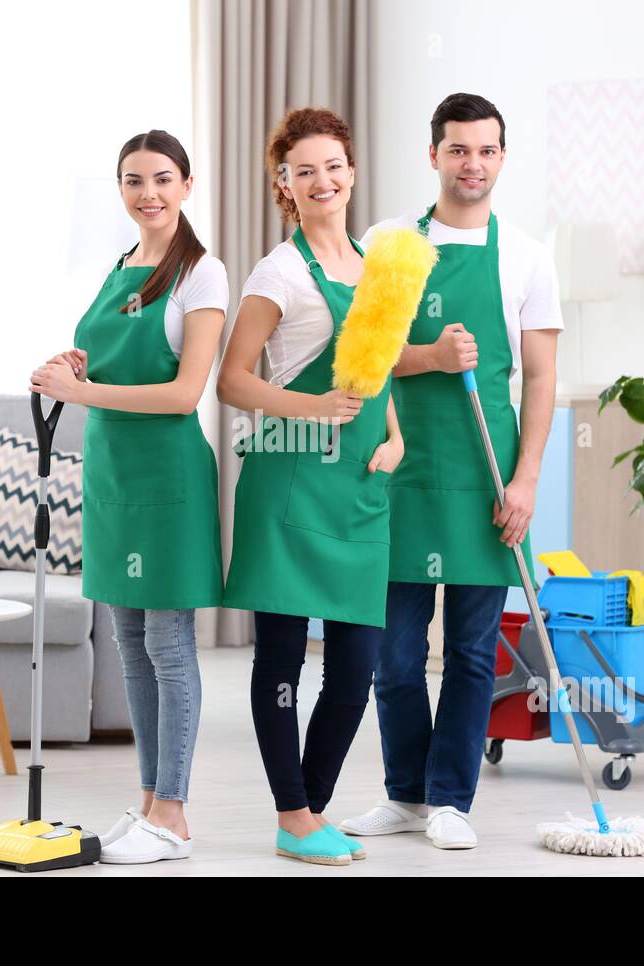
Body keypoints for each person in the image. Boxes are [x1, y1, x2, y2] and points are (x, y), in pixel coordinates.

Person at [340, 93, 563, 850]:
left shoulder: (529, 255)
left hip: (486, 477)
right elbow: (363, 361)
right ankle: (404, 795)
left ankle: (449, 800)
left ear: (502, 158)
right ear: (433, 154)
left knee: (470, 653)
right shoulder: (389, 243)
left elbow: (539, 378)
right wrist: (431, 357)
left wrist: (527, 480)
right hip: (398, 471)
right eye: (459, 150)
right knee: (393, 655)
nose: (473, 164)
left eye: (487, 151)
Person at [29, 130, 226, 864]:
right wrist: (77, 364)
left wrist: (83, 391)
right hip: (111, 473)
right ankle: (147, 802)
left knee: (167, 644)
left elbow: (183, 393)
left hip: (168, 480)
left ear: (186, 184)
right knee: (127, 644)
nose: (149, 193)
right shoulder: (121, 266)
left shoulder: (203, 276)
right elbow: (109, 362)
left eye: (163, 179)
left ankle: (173, 815)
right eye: (134, 181)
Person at [218, 107, 403, 866]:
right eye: (304, 171)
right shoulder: (279, 272)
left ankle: (309, 809)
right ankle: (293, 817)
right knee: (283, 664)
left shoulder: (383, 267)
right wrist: (313, 407)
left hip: (358, 487)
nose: (321, 181)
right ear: (284, 186)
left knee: (358, 668)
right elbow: (232, 381)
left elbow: (381, 368)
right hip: (289, 482)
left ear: (351, 172)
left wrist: (395, 435)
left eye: (333, 166)